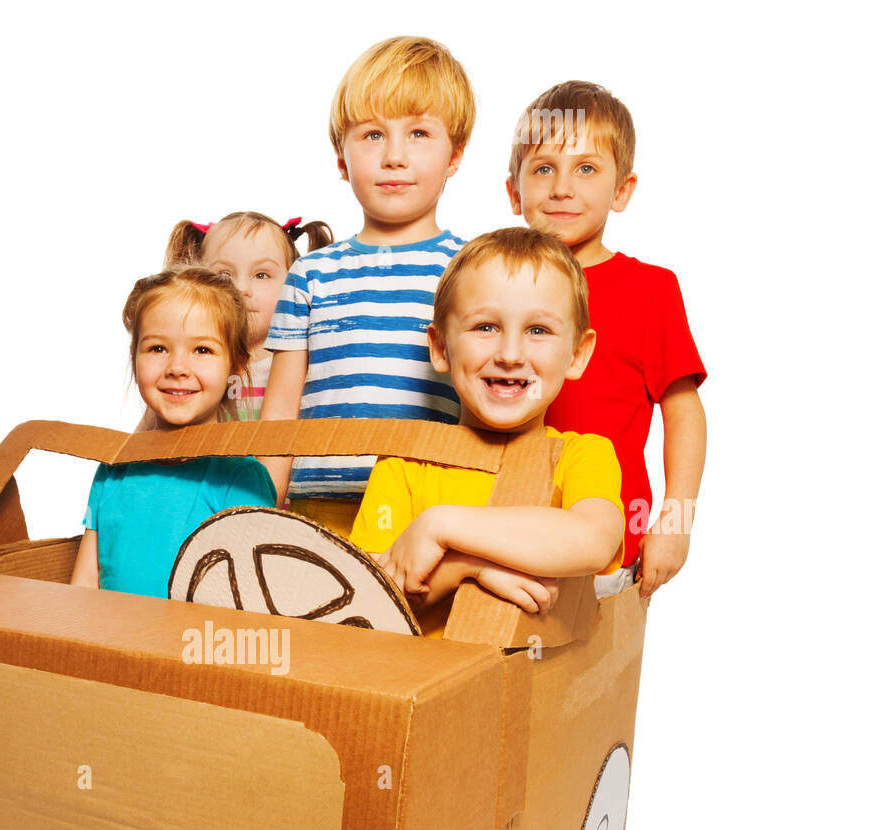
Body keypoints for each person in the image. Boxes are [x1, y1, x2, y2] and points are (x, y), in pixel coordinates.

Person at [349, 228, 624, 636]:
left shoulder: (581, 455)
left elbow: (594, 540)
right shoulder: (405, 465)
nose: (510, 355)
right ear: (441, 347)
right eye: (485, 327)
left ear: (578, 353)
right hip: (410, 686)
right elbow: (367, 603)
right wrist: (469, 567)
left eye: (538, 331)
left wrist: (440, 527)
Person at [260, 35, 476, 533]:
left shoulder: (470, 269)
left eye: (419, 133)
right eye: (373, 135)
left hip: (429, 510)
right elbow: (280, 413)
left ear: (455, 154)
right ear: (342, 159)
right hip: (317, 511)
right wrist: (263, 513)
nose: (394, 156)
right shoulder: (310, 274)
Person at [506, 79, 706, 598]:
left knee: (590, 678)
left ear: (622, 191)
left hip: (608, 545)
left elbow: (682, 410)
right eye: (543, 168)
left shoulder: (650, 290)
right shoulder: (492, 282)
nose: (562, 187)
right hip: (501, 534)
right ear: (514, 191)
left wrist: (676, 520)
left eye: (587, 169)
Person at [69, 267, 276, 599]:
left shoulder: (241, 478)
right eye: (158, 349)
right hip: (110, 645)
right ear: (134, 355)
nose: (177, 368)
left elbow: (250, 601)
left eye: (202, 350)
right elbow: (83, 587)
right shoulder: (113, 471)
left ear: (236, 364)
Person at [163, 212, 332, 420]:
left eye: (261, 275)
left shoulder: (304, 366)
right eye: (224, 275)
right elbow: (147, 439)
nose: (241, 288)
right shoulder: (184, 366)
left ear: (293, 283)